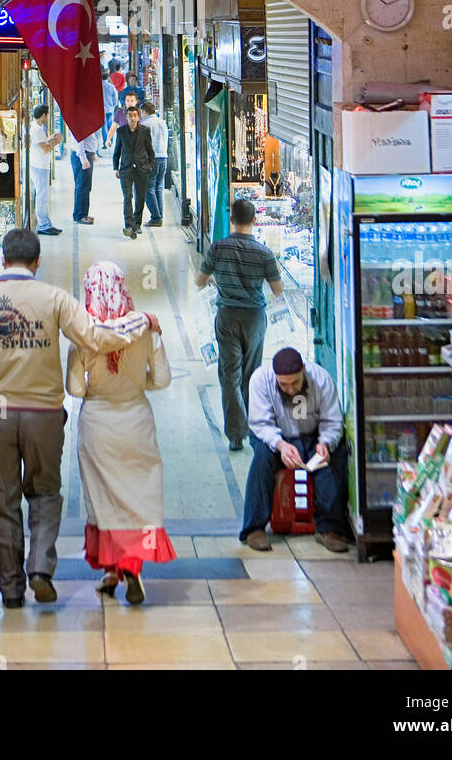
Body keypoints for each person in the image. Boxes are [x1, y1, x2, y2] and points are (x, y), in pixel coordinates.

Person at [0, 228, 162, 608]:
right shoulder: (55, 299)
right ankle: (40, 569)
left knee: (1, 499)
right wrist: (141, 320)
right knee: (45, 493)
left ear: (2, 259)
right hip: (44, 415)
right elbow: (95, 338)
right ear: (37, 262)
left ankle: (12, 589)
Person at [66, 261, 175, 604]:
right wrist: (133, 386)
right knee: (137, 498)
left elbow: (75, 390)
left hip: (98, 425)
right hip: (136, 424)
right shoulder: (146, 329)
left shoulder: (84, 337)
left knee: (102, 500)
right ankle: (131, 566)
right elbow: (161, 380)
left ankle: (111, 569)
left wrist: (99, 387)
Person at [240, 347, 349, 554]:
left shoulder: (321, 380)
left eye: (295, 383)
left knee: (333, 458)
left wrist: (325, 443)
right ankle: (254, 529)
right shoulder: (260, 380)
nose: (290, 389)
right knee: (262, 459)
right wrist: (280, 445)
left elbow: (333, 421)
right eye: (284, 385)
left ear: (304, 373)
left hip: (312, 434)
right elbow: (260, 424)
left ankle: (330, 528)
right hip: (274, 435)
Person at [195, 198, 284, 450]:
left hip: (227, 317)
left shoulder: (217, 248)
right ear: (254, 221)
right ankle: (255, 428)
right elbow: (278, 290)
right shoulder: (264, 253)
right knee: (251, 373)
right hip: (255, 317)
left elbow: (199, 280)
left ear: (231, 219)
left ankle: (235, 434)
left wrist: (215, 281)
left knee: (229, 375)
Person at [112, 104, 155, 239]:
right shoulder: (121, 131)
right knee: (127, 196)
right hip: (126, 169)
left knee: (140, 198)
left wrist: (149, 165)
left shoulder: (145, 131)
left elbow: (150, 151)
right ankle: (129, 225)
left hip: (142, 168)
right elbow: (117, 151)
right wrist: (115, 167)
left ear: (139, 117)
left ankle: (137, 223)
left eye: (135, 115)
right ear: (126, 117)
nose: (132, 118)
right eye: (130, 116)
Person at [29, 103, 61, 236]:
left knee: (43, 196)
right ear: (43, 115)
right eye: (47, 115)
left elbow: (41, 144)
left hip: (38, 165)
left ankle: (46, 222)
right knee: (42, 196)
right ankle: (43, 225)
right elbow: (45, 148)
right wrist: (56, 141)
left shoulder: (35, 127)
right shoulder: (37, 129)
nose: (47, 118)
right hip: (39, 166)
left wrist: (50, 139)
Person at [140, 101, 168, 228]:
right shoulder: (162, 122)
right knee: (158, 188)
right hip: (163, 158)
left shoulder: (145, 124)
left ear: (144, 112)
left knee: (148, 188)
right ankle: (159, 215)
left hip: (151, 159)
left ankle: (156, 217)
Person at [69, 129, 99, 224]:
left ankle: (83, 214)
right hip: (83, 155)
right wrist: (83, 158)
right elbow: (79, 140)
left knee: (86, 187)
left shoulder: (85, 122)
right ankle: (80, 216)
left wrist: (93, 153)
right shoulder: (79, 122)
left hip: (87, 154)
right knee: (82, 186)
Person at [101, 71, 118, 148]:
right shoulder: (111, 86)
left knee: (104, 127)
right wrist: (113, 105)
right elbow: (115, 98)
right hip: (110, 109)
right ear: (107, 78)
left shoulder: (98, 86)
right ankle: (110, 141)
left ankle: (105, 142)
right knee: (110, 125)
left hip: (102, 110)